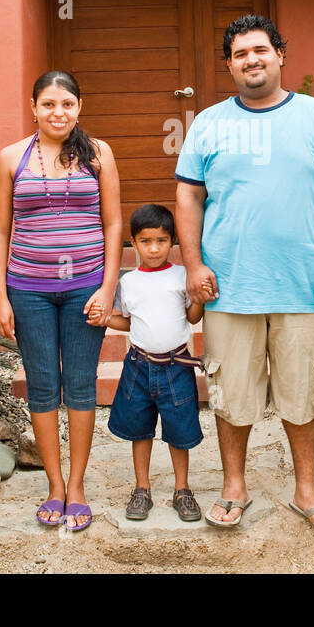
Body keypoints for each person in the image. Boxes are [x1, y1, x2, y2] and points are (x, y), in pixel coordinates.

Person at [176, 14, 314, 533]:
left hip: (305, 283)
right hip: (228, 285)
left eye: (260, 50)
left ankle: (308, 489)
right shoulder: (210, 122)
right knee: (231, 392)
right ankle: (234, 486)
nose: (251, 60)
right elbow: (189, 194)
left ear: (281, 55)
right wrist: (193, 263)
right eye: (239, 54)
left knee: (304, 391)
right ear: (229, 65)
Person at [0, 71, 121, 531]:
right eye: (48, 104)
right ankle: (54, 486)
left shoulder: (99, 154)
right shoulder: (11, 158)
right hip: (29, 290)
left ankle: (78, 486)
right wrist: (0, 297)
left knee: (81, 386)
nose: (58, 112)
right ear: (33, 106)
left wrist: (107, 289)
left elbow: (112, 225)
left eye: (67, 103)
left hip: (85, 287)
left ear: (79, 106)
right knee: (43, 386)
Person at [106, 204, 206, 521]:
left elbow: (191, 317)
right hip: (138, 365)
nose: (153, 248)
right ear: (133, 242)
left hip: (177, 366)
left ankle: (182, 489)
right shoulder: (128, 282)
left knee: (179, 430)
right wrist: (104, 319)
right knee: (140, 429)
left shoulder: (181, 276)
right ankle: (142, 489)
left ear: (172, 241)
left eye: (161, 241)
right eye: (145, 241)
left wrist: (200, 301)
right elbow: (127, 320)